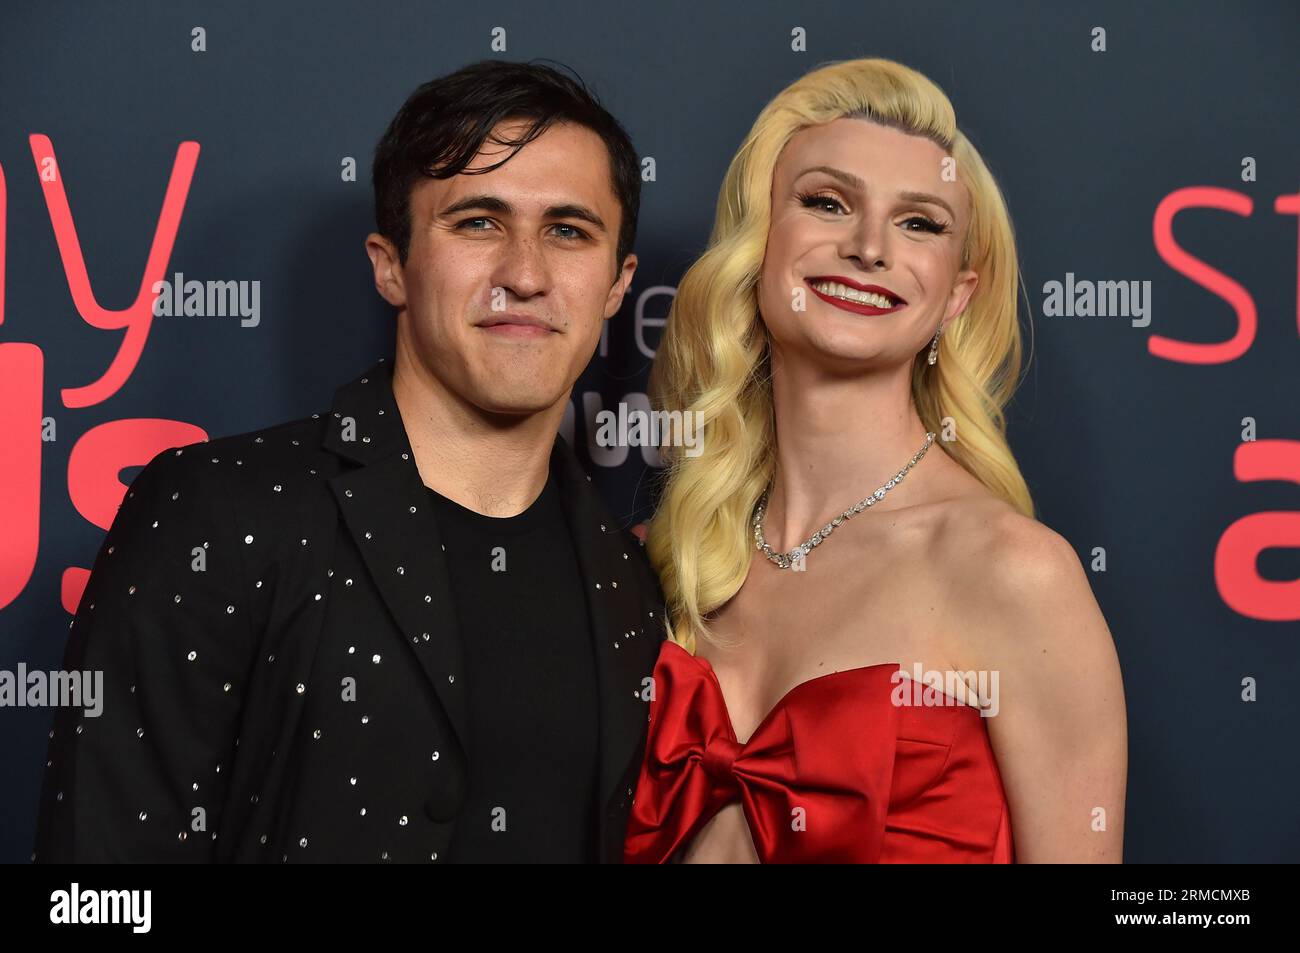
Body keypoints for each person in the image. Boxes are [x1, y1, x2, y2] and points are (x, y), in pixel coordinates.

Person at [35, 59, 664, 864]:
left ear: (618, 285)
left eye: (568, 231)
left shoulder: (637, 584)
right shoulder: (218, 511)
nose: (526, 274)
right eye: (478, 222)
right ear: (390, 264)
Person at [623, 57, 1127, 863]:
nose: (867, 247)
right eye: (827, 202)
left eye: (919, 222)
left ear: (956, 294)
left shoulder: (1014, 572)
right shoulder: (660, 559)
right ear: (760, 245)